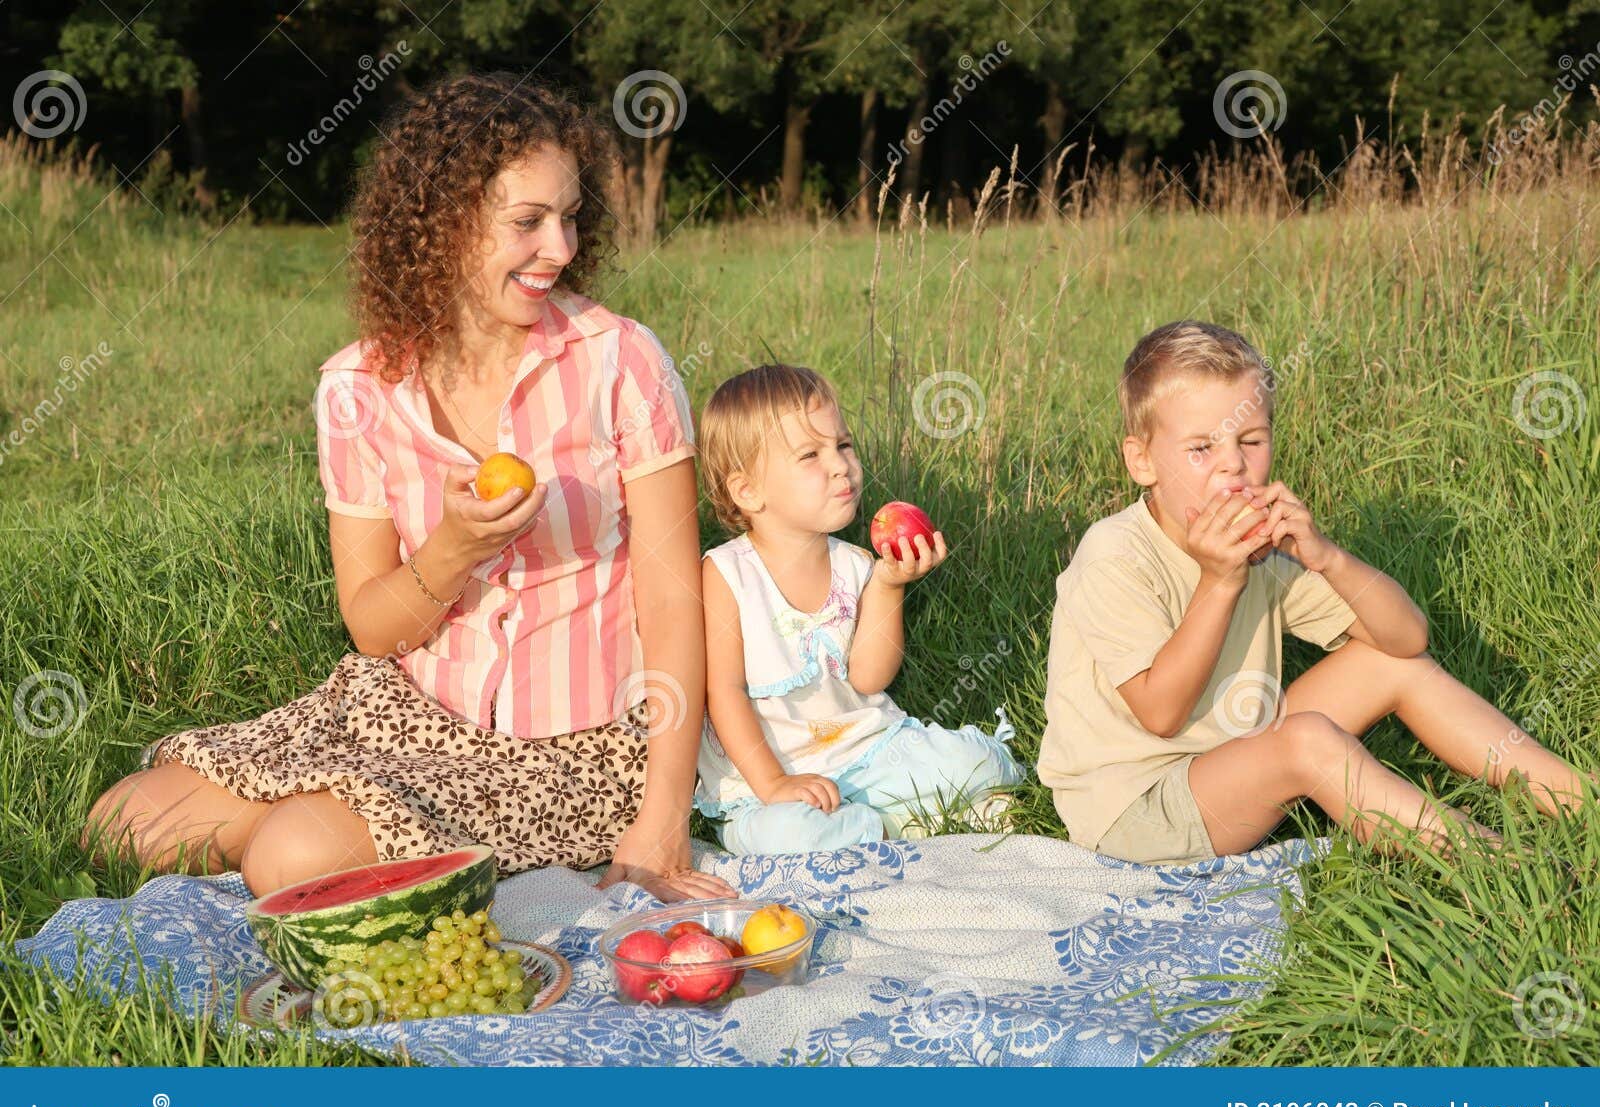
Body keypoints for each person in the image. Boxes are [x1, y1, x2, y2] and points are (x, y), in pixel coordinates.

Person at [81, 73, 737, 904]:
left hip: (580, 746)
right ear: (445, 224)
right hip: (405, 713)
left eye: (571, 217)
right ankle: (354, 816)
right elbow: (371, 625)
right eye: (528, 223)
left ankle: (333, 828)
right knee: (123, 825)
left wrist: (662, 815)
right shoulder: (359, 387)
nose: (563, 248)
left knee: (290, 858)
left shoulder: (623, 362)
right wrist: (456, 548)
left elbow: (676, 603)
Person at [1037, 319, 1593, 865]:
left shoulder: (1264, 547)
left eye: (1250, 439)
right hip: (1135, 809)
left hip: (1232, 760)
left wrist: (1327, 557)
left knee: (1390, 667)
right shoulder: (1114, 554)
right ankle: (1495, 865)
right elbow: (1160, 712)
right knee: (1305, 740)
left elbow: (1405, 640)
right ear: (1142, 461)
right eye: (1201, 448)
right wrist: (1220, 581)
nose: (1234, 462)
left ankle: (1579, 800)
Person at [694, 364, 1024, 855]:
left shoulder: (856, 565)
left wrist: (889, 586)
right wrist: (773, 785)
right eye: (811, 454)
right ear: (748, 491)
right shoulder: (727, 574)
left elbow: (870, 679)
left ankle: (876, 821)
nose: (840, 465)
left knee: (980, 764)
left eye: (843, 445)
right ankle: (903, 822)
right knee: (784, 834)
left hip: (865, 752)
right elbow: (724, 692)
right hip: (767, 780)